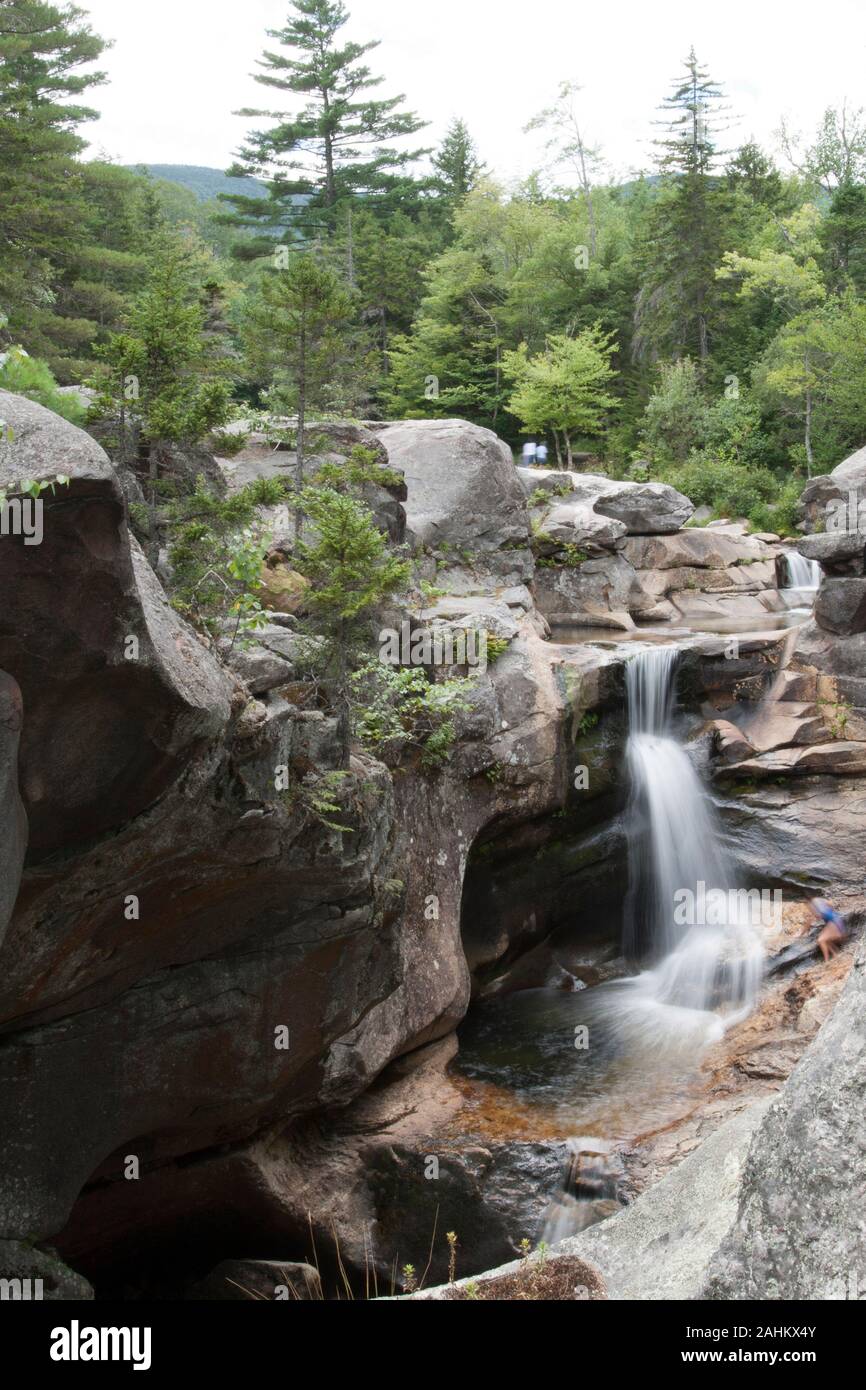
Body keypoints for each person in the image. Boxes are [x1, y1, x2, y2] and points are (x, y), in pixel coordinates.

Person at [804, 897, 848, 962]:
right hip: (836, 920)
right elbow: (830, 903)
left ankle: (826, 961)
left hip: (834, 922)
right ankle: (835, 954)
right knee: (826, 940)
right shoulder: (818, 899)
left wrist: (802, 933)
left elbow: (813, 918)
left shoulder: (813, 903)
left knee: (820, 940)